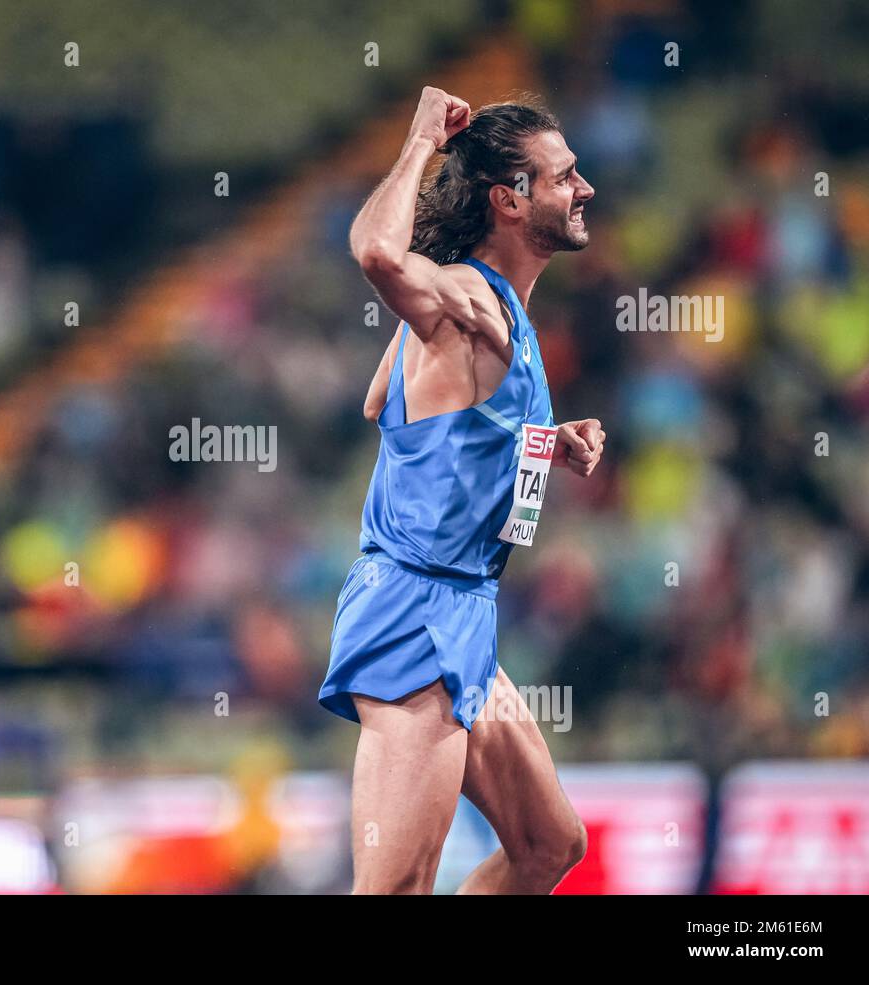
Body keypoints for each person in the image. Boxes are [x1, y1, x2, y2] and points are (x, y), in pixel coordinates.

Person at [319, 87, 606, 894]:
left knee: (549, 842)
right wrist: (417, 143)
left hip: (463, 613)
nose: (584, 187)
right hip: (416, 619)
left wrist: (543, 443)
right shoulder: (470, 299)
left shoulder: (491, 311)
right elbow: (377, 254)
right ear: (510, 200)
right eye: (565, 175)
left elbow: (391, 405)